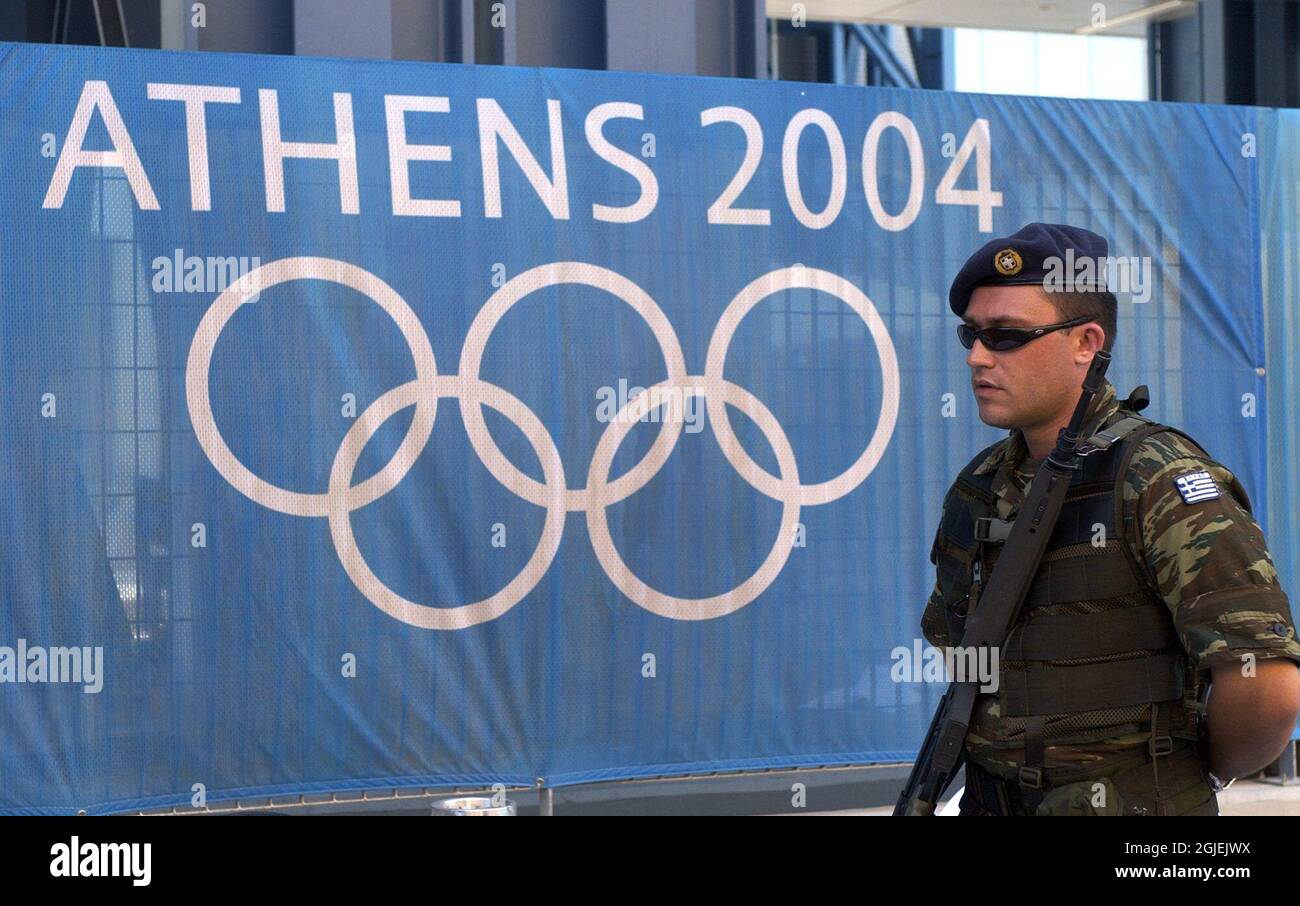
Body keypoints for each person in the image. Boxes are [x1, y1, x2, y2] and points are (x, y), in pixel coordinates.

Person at [921, 222, 1300, 815]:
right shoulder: (978, 489)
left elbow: (1266, 687)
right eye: (971, 333)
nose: (977, 356)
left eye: (1006, 336)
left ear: (1085, 342)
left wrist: (1183, 781)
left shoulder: (1158, 480)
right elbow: (960, 652)